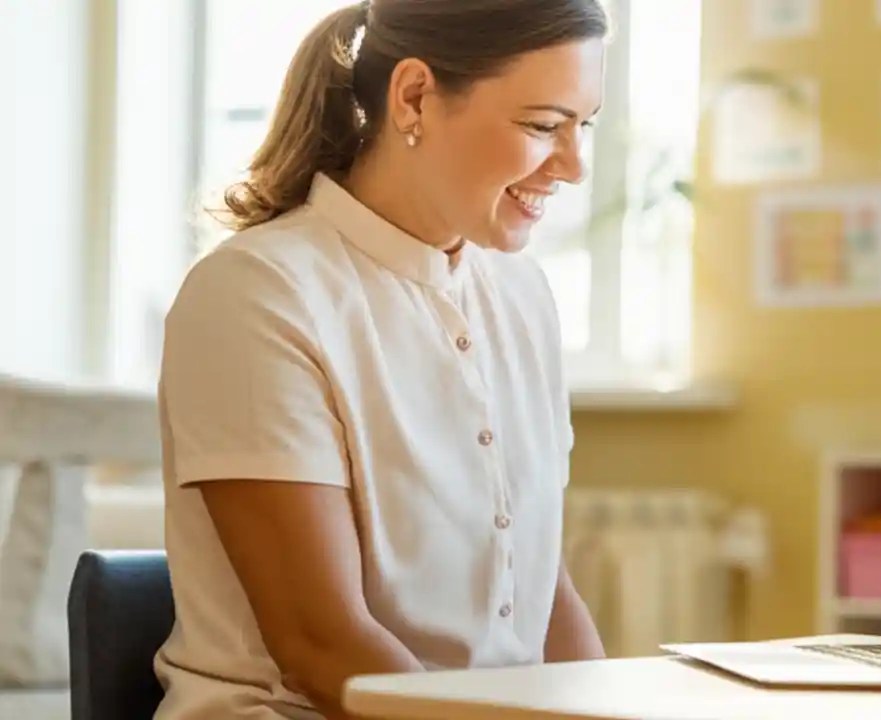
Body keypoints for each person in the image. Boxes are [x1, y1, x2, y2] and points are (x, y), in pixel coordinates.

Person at [153, 1, 610, 718]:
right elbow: (321, 643)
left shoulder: (523, 295)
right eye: (542, 125)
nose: (575, 165)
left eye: (585, 125)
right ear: (415, 96)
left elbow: (545, 596)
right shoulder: (257, 294)